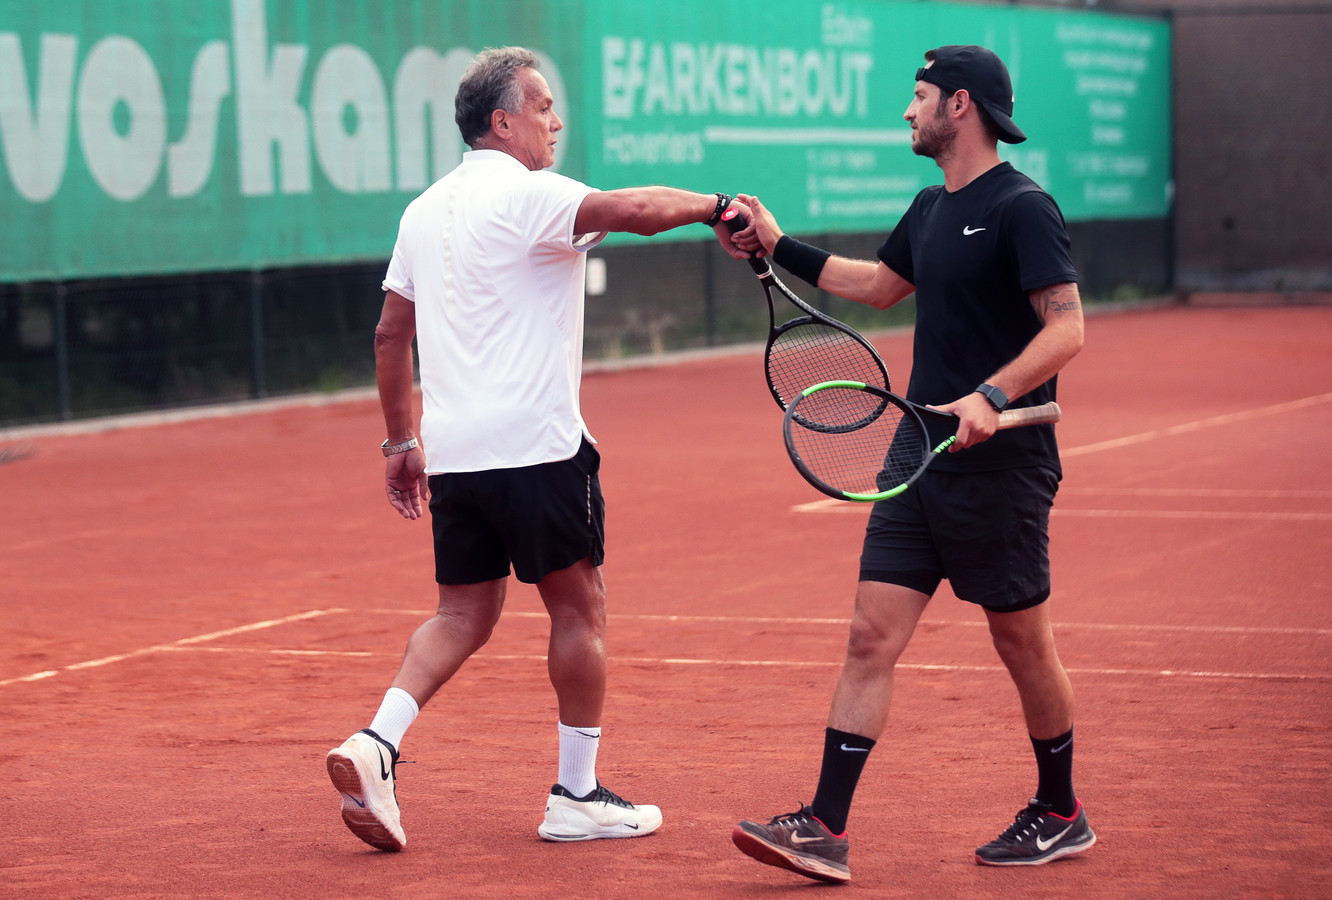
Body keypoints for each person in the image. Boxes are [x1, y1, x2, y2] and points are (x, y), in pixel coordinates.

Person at [325, 45, 751, 853]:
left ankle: (376, 743)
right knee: (579, 608)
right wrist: (716, 205)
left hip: (455, 455)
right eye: (544, 106)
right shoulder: (528, 195)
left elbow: (389, 334)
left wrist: (400, 441)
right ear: (503, 121)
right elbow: (630, 209)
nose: (557, 121)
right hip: (540, 451)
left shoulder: (422, 212)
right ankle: (577, 795)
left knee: (462, 612)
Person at [727, 45, 1091, 882]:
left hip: (1004, 465)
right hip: (915, 455)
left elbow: (1067, 326)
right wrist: (778, 244)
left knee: (1021, 642)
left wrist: (992, 396)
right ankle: (824, 825)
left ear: (958, 106)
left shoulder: (1022, 208)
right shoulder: (930, 207)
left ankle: (1062, 810)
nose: (907, 111)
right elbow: (879, 285)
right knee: (869, 636)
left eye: (918, 95)